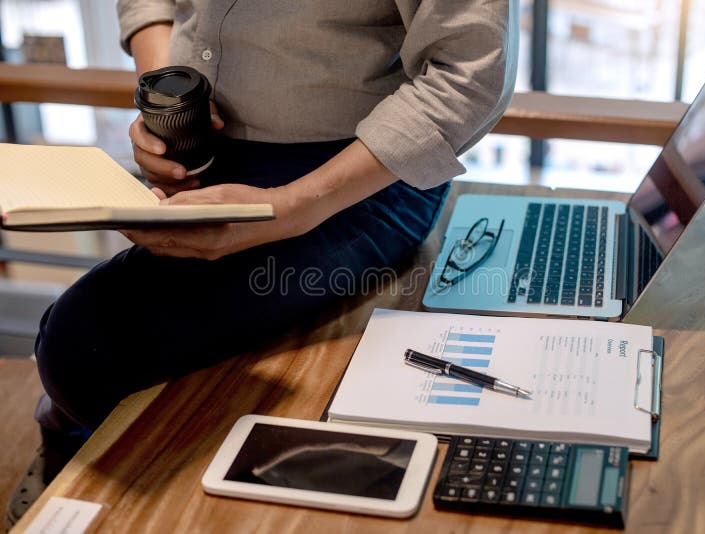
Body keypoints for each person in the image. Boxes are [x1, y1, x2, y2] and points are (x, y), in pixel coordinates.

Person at [6, 0, 518, 527]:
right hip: (207, 146)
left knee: (79, 347)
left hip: (360, 173)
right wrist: (166, 91)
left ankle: (76, 434)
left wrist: (294, 208)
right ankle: (79, 441)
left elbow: (469, 70)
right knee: (84, 350)